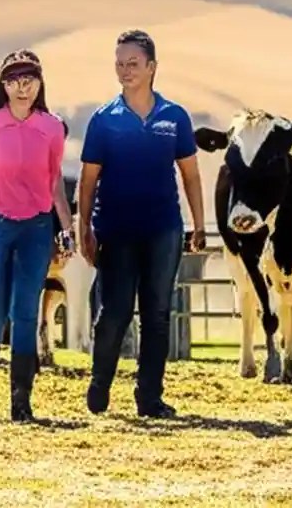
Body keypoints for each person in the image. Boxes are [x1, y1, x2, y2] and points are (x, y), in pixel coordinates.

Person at [78, 29, 207, 418]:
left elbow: (191, 175)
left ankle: (149, 397)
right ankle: (100, 382)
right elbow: (88, 180)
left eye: (132, 63)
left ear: (152, 67)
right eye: (119, 63)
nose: (125, 70)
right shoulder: (104, 120)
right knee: (114, 311)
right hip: (115, 229)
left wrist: (197, 224)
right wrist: (85, 227)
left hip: (163, 228)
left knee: (157, 314)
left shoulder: (175, 117)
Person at [0, 49, 73, 422]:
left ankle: (21, 401)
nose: (22, 88)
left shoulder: (52, 127)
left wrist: (66, 227)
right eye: (14, 81)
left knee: (26, 311)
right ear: (2, 85)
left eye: (30, 80)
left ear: (40, 83)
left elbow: (54, 177)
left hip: (36, 226)